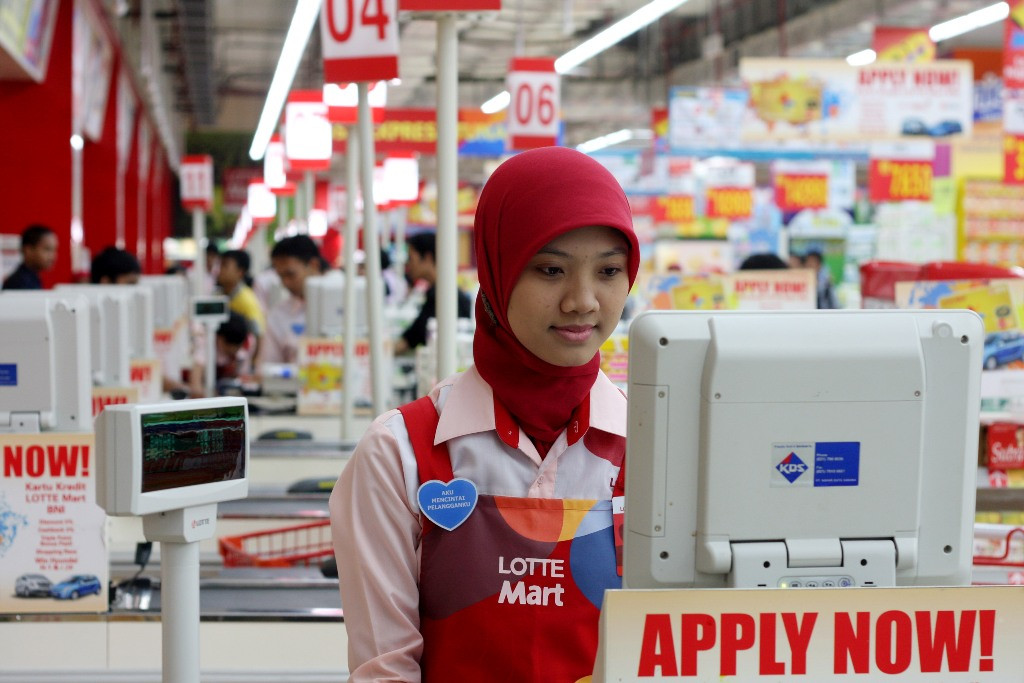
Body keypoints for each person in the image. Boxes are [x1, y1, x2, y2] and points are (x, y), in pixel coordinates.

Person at [330, 147, 640, 682]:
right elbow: (385, 671)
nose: (583, 300)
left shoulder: (654, 445)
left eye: (609, 270)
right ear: (495, 272)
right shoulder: (402, 451)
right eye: (550, 269)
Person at [394, 231, 472, 354]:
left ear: (427, 258)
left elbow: (411, 338)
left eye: (411, 258)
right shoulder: (443, 293)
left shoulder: (441, 296)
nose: (408, 264)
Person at [261, 235, 321, 365]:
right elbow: (268, 368)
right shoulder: (278, 315)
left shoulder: (349, 302)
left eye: (290, 274)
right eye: (281, 276)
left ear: (313, 265)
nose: (285, 283)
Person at [188, 312, 252, 397]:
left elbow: (243, 378)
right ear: (219, 338)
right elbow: (195, 385)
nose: (234, 352)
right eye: (229, 348)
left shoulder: (244, 347)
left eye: (237, 348)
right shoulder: (206, 344)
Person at [216, 249, 265, 337]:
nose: (219, 270)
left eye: (224, 265)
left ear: (240, 272)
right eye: (219, 265)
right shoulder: (219, 295)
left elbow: (258, 335)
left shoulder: (247, 301)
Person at [3, 224, 57, 290]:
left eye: (54, 250)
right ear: (28, 250)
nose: (53, 256)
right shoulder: (20, 283)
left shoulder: (33, 278)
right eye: (47, 249)